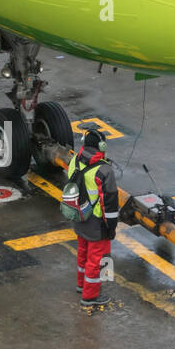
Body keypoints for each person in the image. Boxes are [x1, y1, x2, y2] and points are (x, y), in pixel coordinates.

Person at [68, 130, 119, 306]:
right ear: (102, 146)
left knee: (82, 252)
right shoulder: (105, 171)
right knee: (96, 260)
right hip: (97, 223)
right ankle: (90, 297)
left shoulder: (74, 160)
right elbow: (110, 204)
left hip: (79, 216)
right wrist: (111, 227)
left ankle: (81, 285)